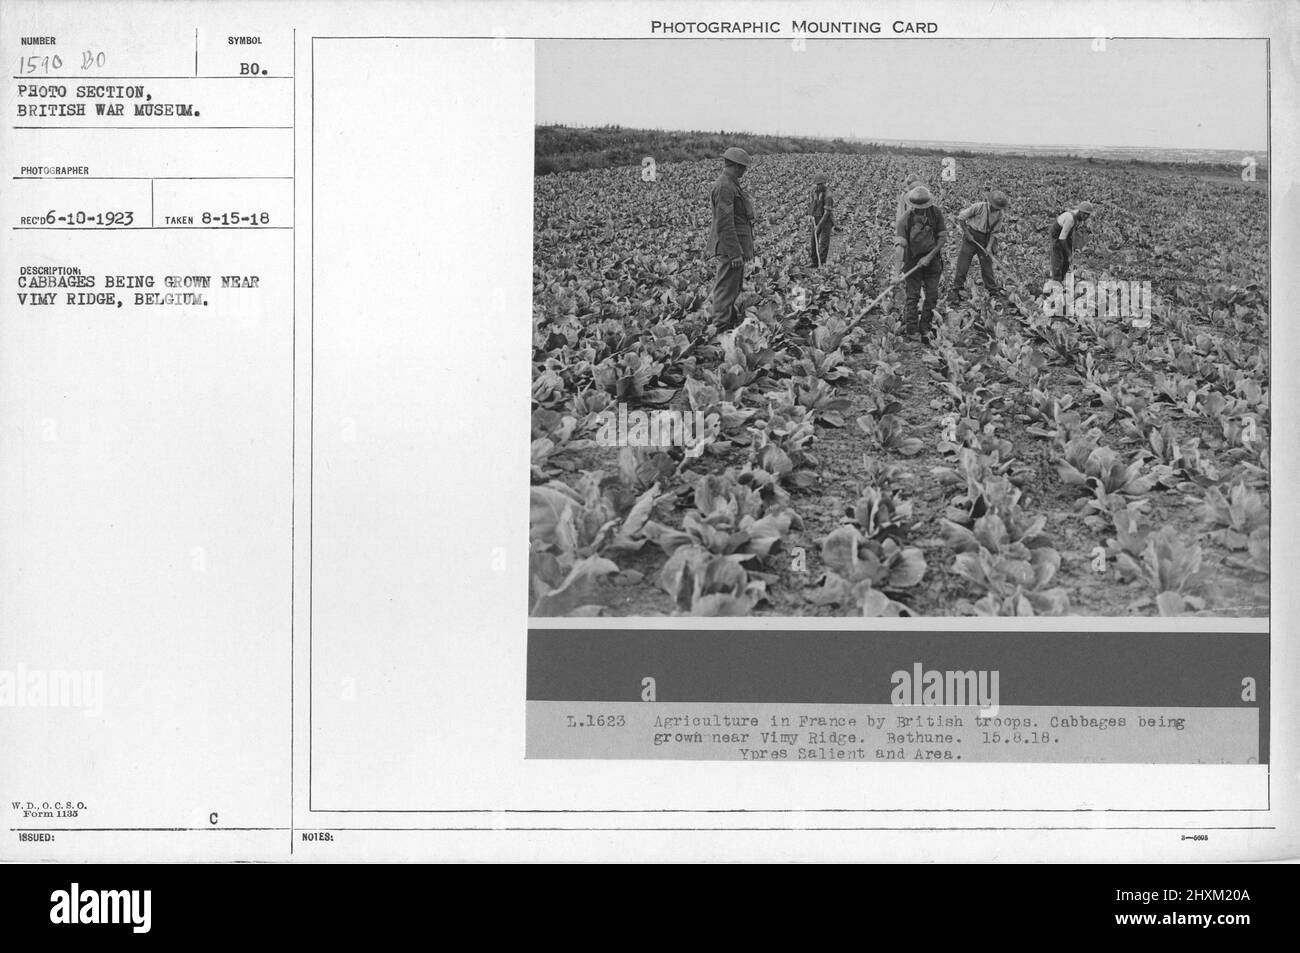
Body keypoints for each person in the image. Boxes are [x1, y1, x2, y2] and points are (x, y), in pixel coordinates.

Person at [707, 146, 755, 327]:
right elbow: (725, 223)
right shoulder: (725, 186)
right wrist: (735, 253)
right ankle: (719, 329)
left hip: (736, 247)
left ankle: (728, 323)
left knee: (732, 288)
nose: (744, 170)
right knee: (725, 290)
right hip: (731, 249)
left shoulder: (731, 184)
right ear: (734, 166)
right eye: (743, 167)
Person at [896, 185, 947, 340]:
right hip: (912, 260)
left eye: (921, 207)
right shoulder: (904, 220)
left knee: (932, 295)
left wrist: (929, 257)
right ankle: (912, 329)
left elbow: (942, 238)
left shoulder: (936, 213)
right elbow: (900, 248)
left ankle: (925, 326)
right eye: (916, 207)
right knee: (913, 296)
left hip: (932, 260)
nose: (918, 209)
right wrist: (897, 273)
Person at [949, 190, 1009, 304]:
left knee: (987, 268)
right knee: (963, 265)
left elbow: (995, 233)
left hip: (985, 240)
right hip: (971, 238)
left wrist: (989, 247)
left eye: (999, 208)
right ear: (990, 203)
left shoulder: (1000, 214)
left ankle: (993, 292)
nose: (997, 209)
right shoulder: (978, 207)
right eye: (995, 207)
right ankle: (956, 290)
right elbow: (961, 218)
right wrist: (967, 234)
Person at [891, 172, 925, 309]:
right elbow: (901, 216)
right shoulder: (904, 197)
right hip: (905, 228)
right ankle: (898, 276)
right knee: (901, 250)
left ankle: (917, 288)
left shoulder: (921, 197)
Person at [1050, 201, 1095, 281]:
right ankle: (1056, 282)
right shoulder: (1070, 219)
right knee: (1058, 258)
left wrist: (1072, 250)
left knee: (1066, 261)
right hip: (1057, 234)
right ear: (1080, 212)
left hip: (1065, 234)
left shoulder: (1078, 217)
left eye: (1088, 215)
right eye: (1085, 214)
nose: (1086, 217)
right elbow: (1062, 239)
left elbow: (1072, 234)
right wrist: (1069, 254)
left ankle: (1062, 279)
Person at [808, 172, 834, 267]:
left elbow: (827, 213)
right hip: (816, 218)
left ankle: (822, 263)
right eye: (817, 184)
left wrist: (819, 226)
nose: (818, 187)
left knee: (823, 243)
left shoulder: (828, 195)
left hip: (826, 220)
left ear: (824, 184)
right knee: (813, 240)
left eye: (820, 184)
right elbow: (812, 204)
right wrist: (811, 216)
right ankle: (814, 262)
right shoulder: (813, 191)